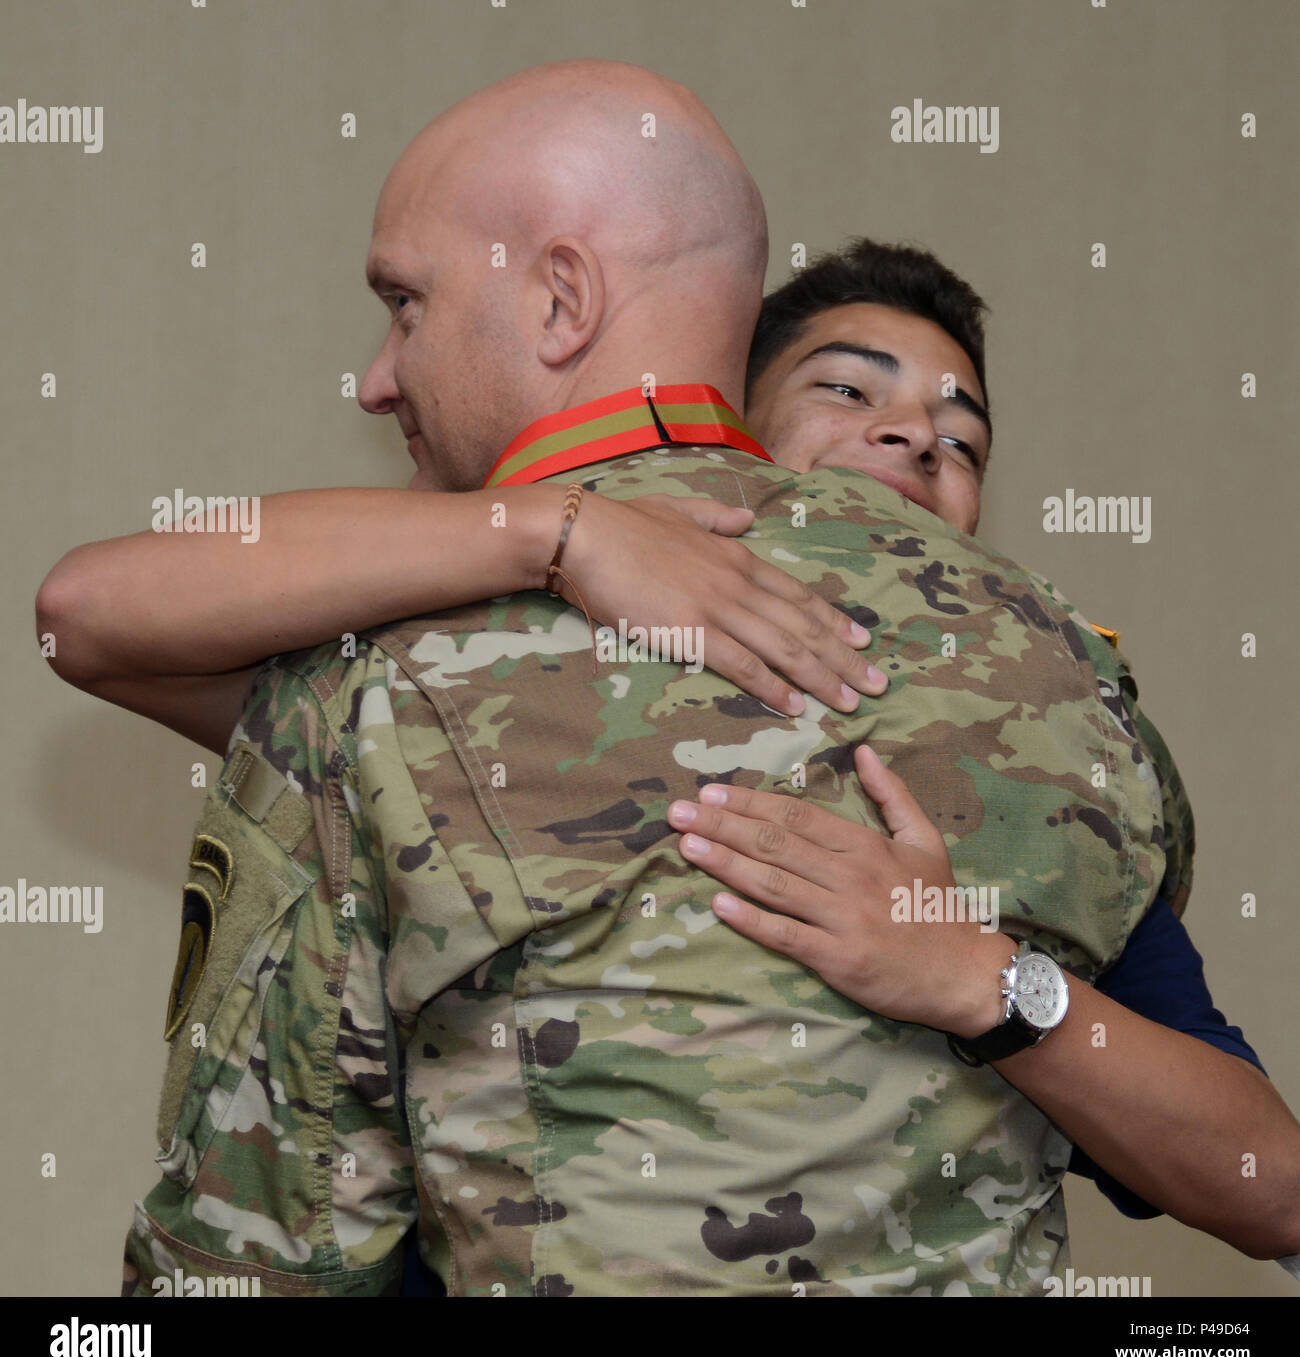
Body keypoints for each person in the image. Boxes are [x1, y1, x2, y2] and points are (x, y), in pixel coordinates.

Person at [36, 60, 1297, 1293]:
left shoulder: (378, 678)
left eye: (405, 303)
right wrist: (558, 530)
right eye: (849, 390)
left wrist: (981, 980)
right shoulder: (1054, 668)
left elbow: (266, 1248)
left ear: (562, 298)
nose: (377, 374)